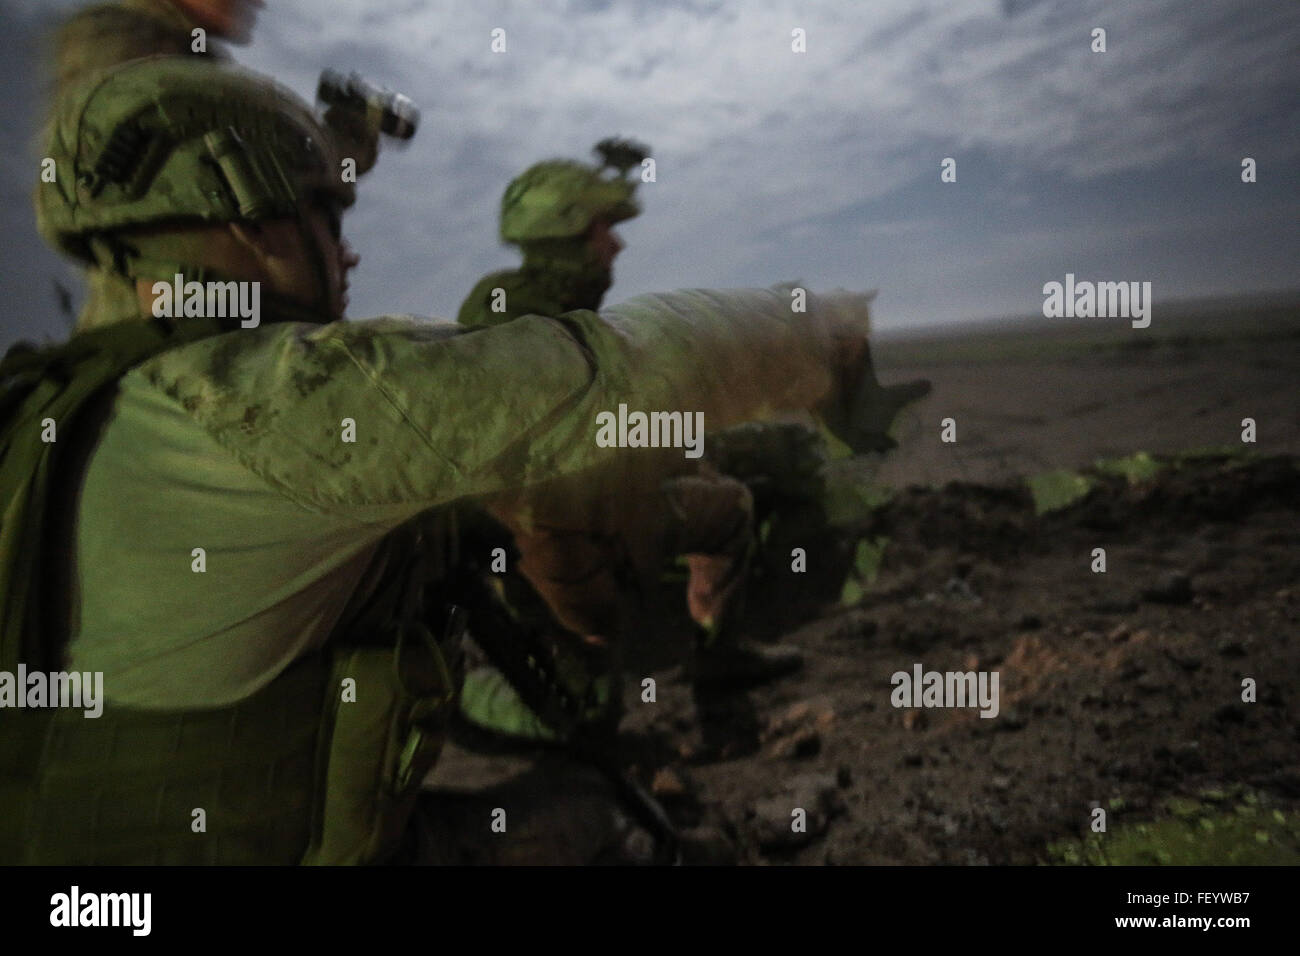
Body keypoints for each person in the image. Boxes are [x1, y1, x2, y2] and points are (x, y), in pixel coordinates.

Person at [1, 55, 883, 864]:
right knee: (609, 825)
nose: (349, 249)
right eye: (326, 210)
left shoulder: (56, 402)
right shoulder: (277, 401)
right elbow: (627, 372)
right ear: (251, 221)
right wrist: (829, 328)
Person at [454, 142, 806, 748]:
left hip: (605, 517)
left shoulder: (575, 318)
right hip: (545, 543)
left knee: (727, 510)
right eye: (601, 230)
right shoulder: (511, 316)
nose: (616, 245)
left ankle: (717, 661)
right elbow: (533, 470)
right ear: (566, 236)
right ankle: (446, 694)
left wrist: (681, 449)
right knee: (585, 712)